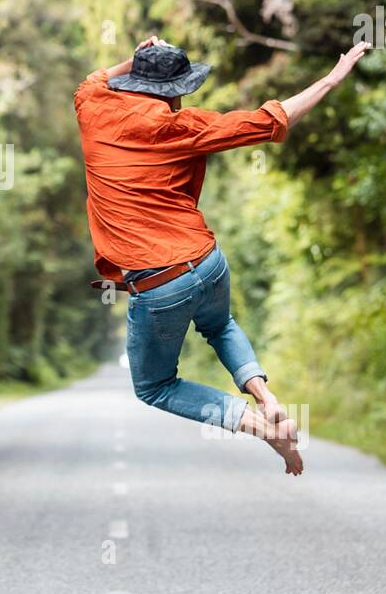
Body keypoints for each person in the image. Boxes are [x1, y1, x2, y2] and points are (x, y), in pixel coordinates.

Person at [74, 36, 369, 475]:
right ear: (175, 91)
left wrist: (135, 56)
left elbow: (91, 81)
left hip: (159, 283)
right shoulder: (184, 127)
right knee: (219, 323)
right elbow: (270, 120)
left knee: (155, 386)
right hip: (207, 261)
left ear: (133, 79)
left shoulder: (92, 109)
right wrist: (329, 80)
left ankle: (260, 426)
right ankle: (266, 398)